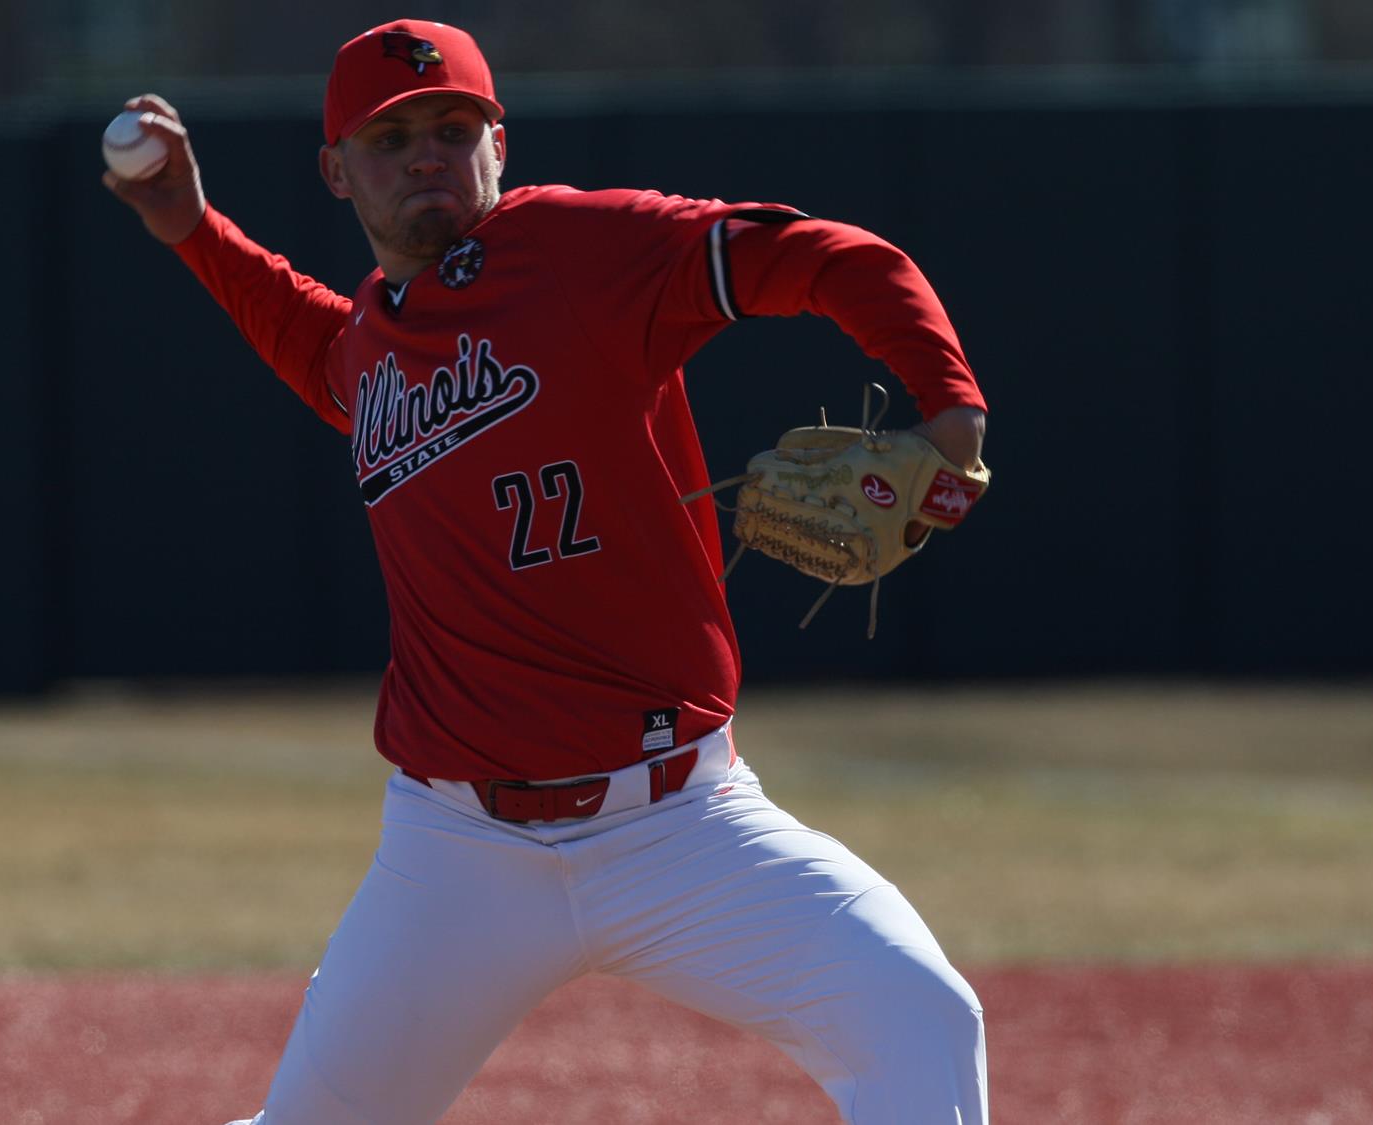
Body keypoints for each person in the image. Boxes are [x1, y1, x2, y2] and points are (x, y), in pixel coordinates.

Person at [104, 18, 990, 1125]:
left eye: (452, 128)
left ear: (499, 144)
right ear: (336, 171)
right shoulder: (373, 344)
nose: (426, 156)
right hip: (457, 852)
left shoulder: (584, 250)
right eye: (391, 140)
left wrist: (950, 408)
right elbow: (310, 337)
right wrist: (192, 229)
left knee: (920, 1015)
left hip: (681, 822)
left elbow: (832, 256)